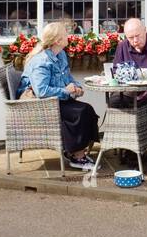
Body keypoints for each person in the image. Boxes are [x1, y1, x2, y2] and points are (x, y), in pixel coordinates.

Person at [19, 23, 99, 170]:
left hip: (56, 100)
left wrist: (76, 87)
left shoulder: (60, 54)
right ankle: (77, 157)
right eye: (65, 33)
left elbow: (67, 77)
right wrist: (66, 91)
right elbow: (41, 91)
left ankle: (74, 152)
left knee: (87, 109)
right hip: (40, 105)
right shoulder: (41, 61)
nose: (68, 35)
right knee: (79, 112)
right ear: (57, 40)